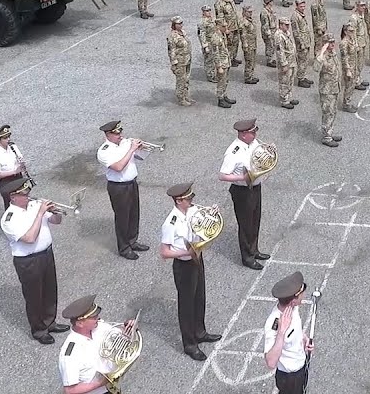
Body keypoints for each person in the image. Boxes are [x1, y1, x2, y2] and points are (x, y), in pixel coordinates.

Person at [0, 175, 69, 343]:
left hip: (46, 254)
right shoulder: (9, 219)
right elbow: (29, 238)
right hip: (28, 262)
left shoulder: (34, 206)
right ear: (13, 197)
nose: (28, 196)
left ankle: (50, 321)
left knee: (50, 290)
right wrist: (39, 215)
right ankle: (39, 330)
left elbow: (55, 221)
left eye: (28, 192)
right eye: (24, 194)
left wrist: (54, 212)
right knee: (34, 296)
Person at [159, 182, 222, 360]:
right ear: (179, 201)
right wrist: (187, 252)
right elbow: (164, 252)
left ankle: (200, 332)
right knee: (186, 305)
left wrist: (212, 213)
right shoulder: (170, 222)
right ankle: (189, 344)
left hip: (197, 259)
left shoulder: (193, 210)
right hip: (183, 265)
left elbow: (203, 222)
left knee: (200, 297)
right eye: (189, 198)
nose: (193, 200)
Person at [58, 294, 139, 394]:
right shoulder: (70, 354)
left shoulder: (99, 326)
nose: (98, 318)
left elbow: (120, 337)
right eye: (93, 317)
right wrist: (101, 383)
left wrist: (128, 328)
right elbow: (70, 390)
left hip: (112, 388)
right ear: (80, 323)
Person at [217, 119, 269, 270]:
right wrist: (242, 178)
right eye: (252, 132)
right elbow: (222, 175)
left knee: (255, 220)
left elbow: (261, 154)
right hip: (242, 191)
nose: (255, 134)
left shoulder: (253, 142)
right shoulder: (233, 152)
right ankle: (247, 257)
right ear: (243, 134)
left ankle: (254, 249)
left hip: (256, 187)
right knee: (245, 225)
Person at [96, 121, 147, 260]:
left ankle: (132, 241)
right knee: (123, 217)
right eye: (117, 133)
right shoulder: (104, 151)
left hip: (132, 183)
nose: (120, 135)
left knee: (134, 214)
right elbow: (118, 167)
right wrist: (131, 150)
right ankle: (124, 248)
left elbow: (141, 157)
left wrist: (139, 148)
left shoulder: (125, 143)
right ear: (108, 134)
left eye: (120, 132)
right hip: (118, 187)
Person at [264, 271, 314, 393]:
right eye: (302, 293)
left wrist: (304, 339)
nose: (304, 295)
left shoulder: (293, 308)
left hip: (301, 365)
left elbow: (295, 331)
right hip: (289, 377)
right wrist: (281, 333)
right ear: (293, 300)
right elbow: (270, 362)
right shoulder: (274, 324)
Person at [0, 124, 28, 207]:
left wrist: (22, 165)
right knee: (12, 206)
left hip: (19, 178)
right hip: (7, 182)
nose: (8, 139)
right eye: (5, 138)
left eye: (9, 136)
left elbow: (20, 158)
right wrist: (14, 172)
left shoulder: (13, 146)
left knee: (24, 201)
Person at [314, 36, 343, 147]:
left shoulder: (333, 54)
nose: (332, 44)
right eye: (329, 42)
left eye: (333, 42)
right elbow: (316, 68)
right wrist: (322, 52)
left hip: (334, 88)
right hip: (327, 90)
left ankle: (330, 132)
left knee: (333, 112)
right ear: (325, 44)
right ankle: (326, 137)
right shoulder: (322, 57)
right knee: (328, 113)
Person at [167, 15, 194, 106]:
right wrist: (173, 64)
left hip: (187, 59)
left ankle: (186, 95)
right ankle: (181, 98)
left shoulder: (183, 32)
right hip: (180, 62)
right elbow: (172, 50)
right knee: (181, 80)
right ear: (174, 25)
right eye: (178, 24)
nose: (181, 25)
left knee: (186, 79)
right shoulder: (172, 36)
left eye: (181, 23)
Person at [276, 17, 299, 109]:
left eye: (288, 25)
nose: (288, 27)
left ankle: (289, 97)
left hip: (291, 61)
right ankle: (284, 100)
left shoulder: (286, 33)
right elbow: (279, 51)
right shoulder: (278, 35)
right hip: (285, 63)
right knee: (284, 81)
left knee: (290, 80)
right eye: (286, 25)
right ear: (281, 25)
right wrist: (284, 64)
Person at [293, 0, 315, 88]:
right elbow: (296, 32)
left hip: (306, 42)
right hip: (302, 43)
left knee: (305, 61)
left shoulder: (301, 14)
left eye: (303, 6)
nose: (303, 8)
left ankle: (303, 76)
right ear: (297, 6)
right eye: (301, 6)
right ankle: (300, 79)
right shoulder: (295, 17)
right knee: (301, 61)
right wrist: (301, 43)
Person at [261, 0, 279, 67]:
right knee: (269, 46)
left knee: (272, 45)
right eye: (271, 1)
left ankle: (271, 58)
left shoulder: (270, 10)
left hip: (273, 30)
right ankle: (269, 60)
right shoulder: (264, 12)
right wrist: (268, 34)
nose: (272, 2)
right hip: (268, 31)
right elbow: (265, 24)